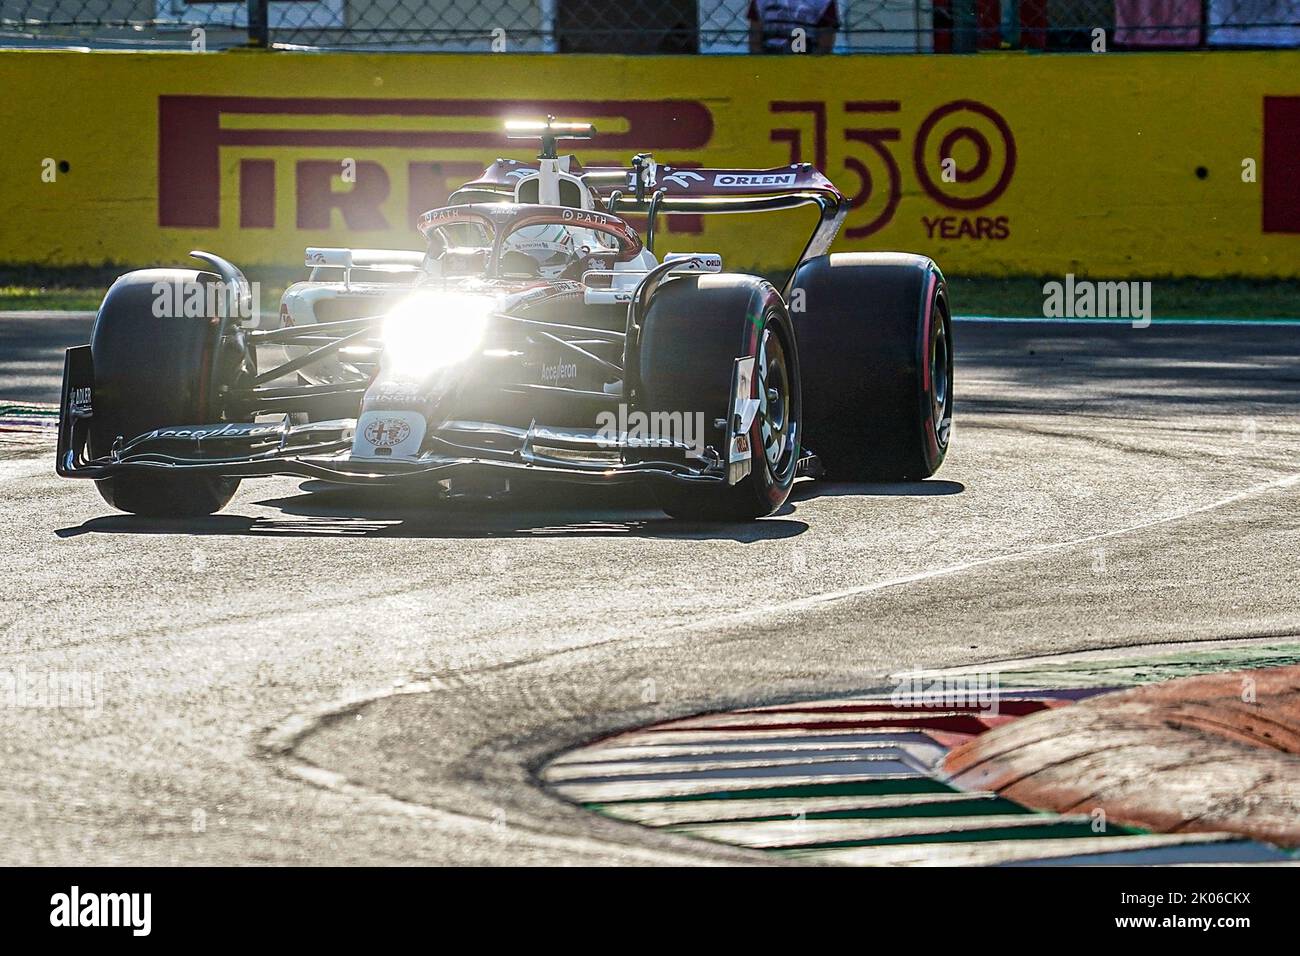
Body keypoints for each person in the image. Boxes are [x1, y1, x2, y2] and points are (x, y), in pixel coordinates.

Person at [748, 0, 840, 53]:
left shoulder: (823, 1)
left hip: (806, 58)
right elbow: (755, 40)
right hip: (769, 56)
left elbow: (825, 45)